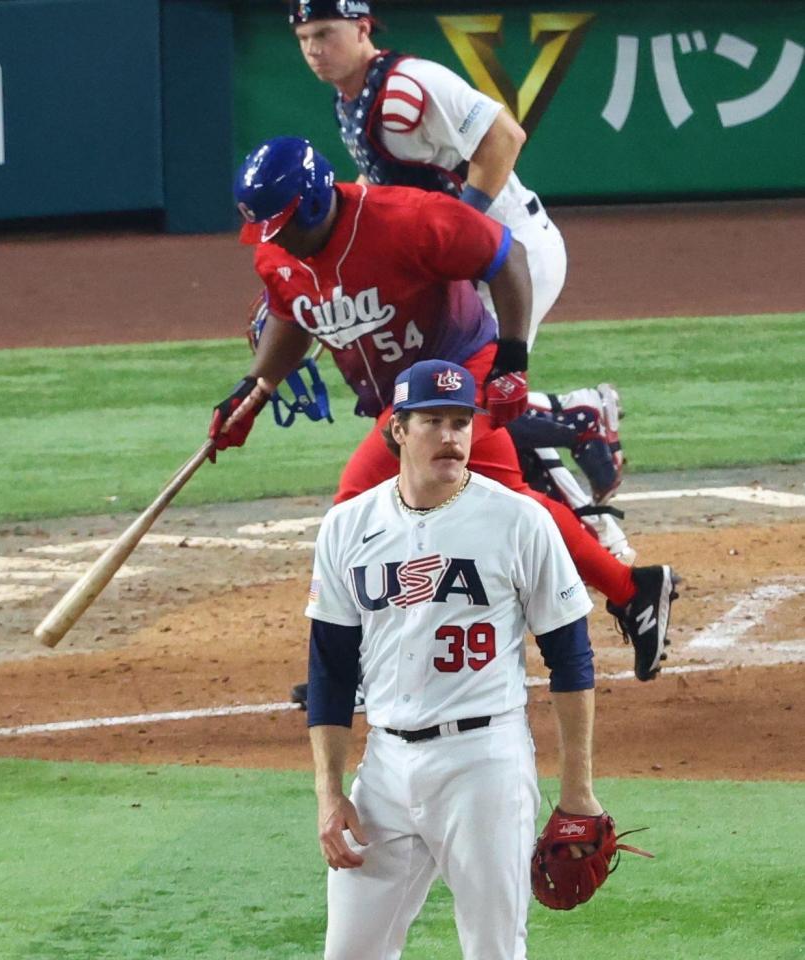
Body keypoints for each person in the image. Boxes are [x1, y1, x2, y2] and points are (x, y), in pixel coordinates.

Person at [211, 135, 679, 685]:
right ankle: (633, 590)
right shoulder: (277, 252)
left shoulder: (405, 218)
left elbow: (506, 255)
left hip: (458, 370)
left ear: (313, 202)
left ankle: (356, 665)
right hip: (402, 396)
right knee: (517, 502)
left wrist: (511, 360)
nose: (275, 240)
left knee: (357, 506)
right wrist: (254, 389)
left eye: (282, 224)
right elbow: (291, 312)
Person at [288, 0, 633, 559]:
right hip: (471, 268)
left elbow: (504, 137)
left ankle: (580, 415)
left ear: (361, 27)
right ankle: (597, 532)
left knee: (468, 404)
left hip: (512, 256)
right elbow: (377, 183)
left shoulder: (411, 85)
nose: (313, 49)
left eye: (325, 33)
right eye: (304, 38)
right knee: (480, 415)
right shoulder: (351, 100)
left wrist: (459, 229)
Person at [305, 356, 605, 959]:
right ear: (399, 429)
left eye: (461, 422)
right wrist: (330, 793)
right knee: (349, 952)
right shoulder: (346, 528)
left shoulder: (519, 521)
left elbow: (571, 659)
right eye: (433, 421)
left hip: (484, 765)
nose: (451, 437)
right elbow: (330, 671)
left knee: (494, 950)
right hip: (384, 768)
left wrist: (579, 790)